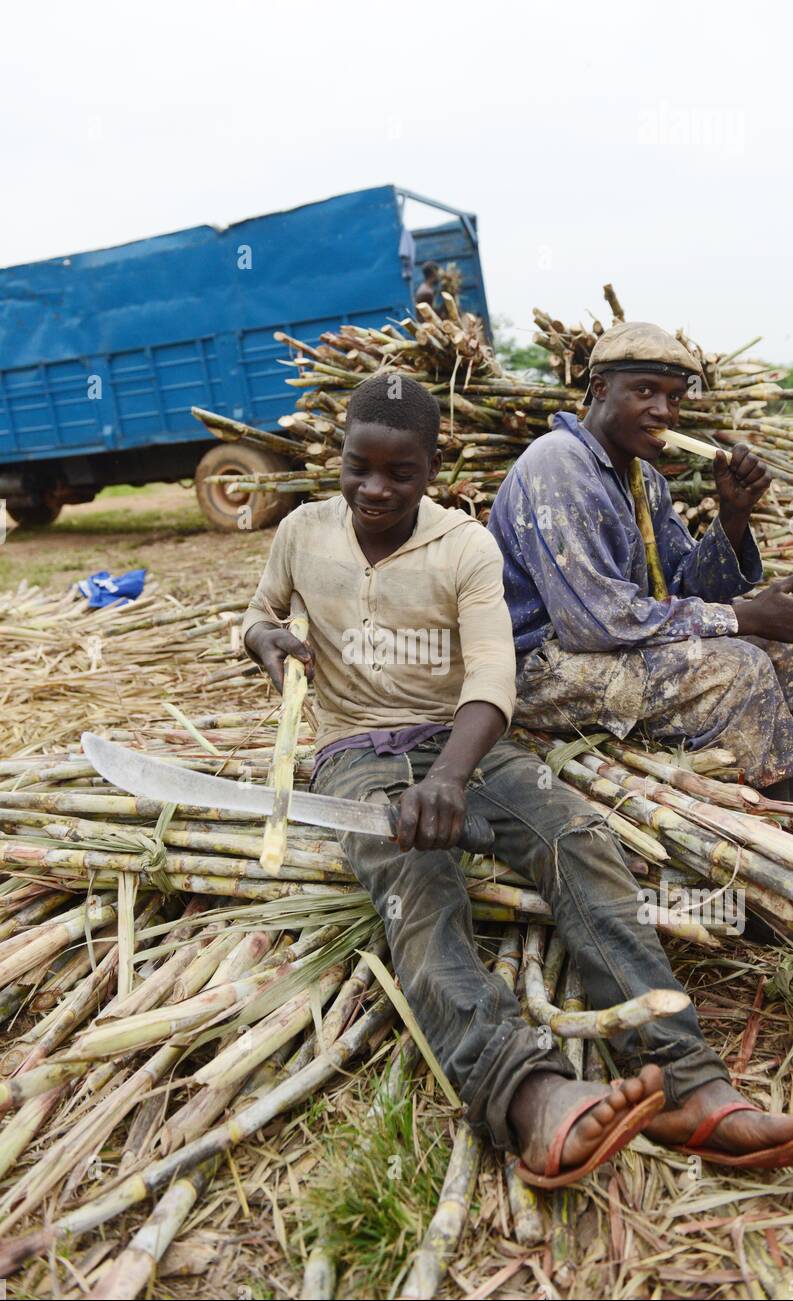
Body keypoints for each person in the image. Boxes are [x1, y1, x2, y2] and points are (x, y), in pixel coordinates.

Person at [243, 372, 793, 1183]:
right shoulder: (300, 532)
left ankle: (688, 1083)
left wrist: (450, 780)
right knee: (415, 875)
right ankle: (528, 1095)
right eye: (358, 467)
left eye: (400, 473)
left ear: (433, 467)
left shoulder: (463, 545)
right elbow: (259, 613)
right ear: (340, 456)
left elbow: (493, 678)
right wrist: (263, 641)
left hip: (466, 741)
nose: (374, 488)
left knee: (578, 843)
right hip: (352, 752)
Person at [487, 321, 793, 796]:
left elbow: (680, 589)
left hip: (599, 648)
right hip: (537, 668)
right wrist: (744, 616)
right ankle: (775, 817)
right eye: (645, 391)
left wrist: (733, 513)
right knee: (740, 667)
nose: (663, 411)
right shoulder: (559, 465)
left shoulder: (643, 478)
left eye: (674, 397)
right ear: (599, 388)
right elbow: (597, 624)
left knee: (780, 654)